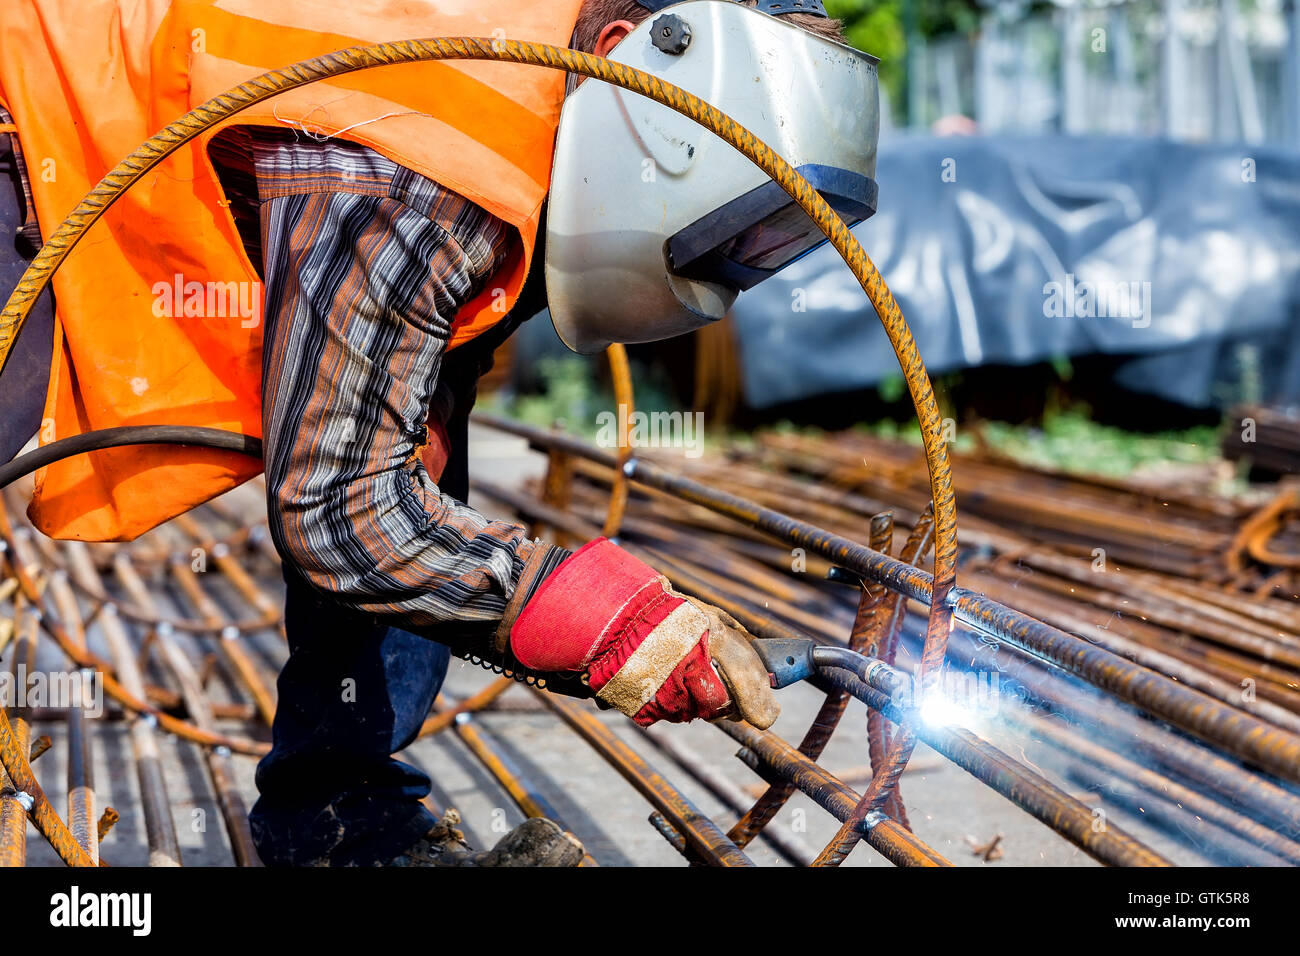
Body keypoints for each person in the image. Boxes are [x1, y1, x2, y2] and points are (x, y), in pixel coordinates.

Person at [0, 0, 873, 866]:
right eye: (743, 229)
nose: (741, 266)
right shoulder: (438, 143)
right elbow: (342, 510)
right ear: (626, 61)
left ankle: (341, 814)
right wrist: (612, 620)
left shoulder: (527, 99)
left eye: (773, 245)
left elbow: (398, 453)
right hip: (25, 108)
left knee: (410, 440)